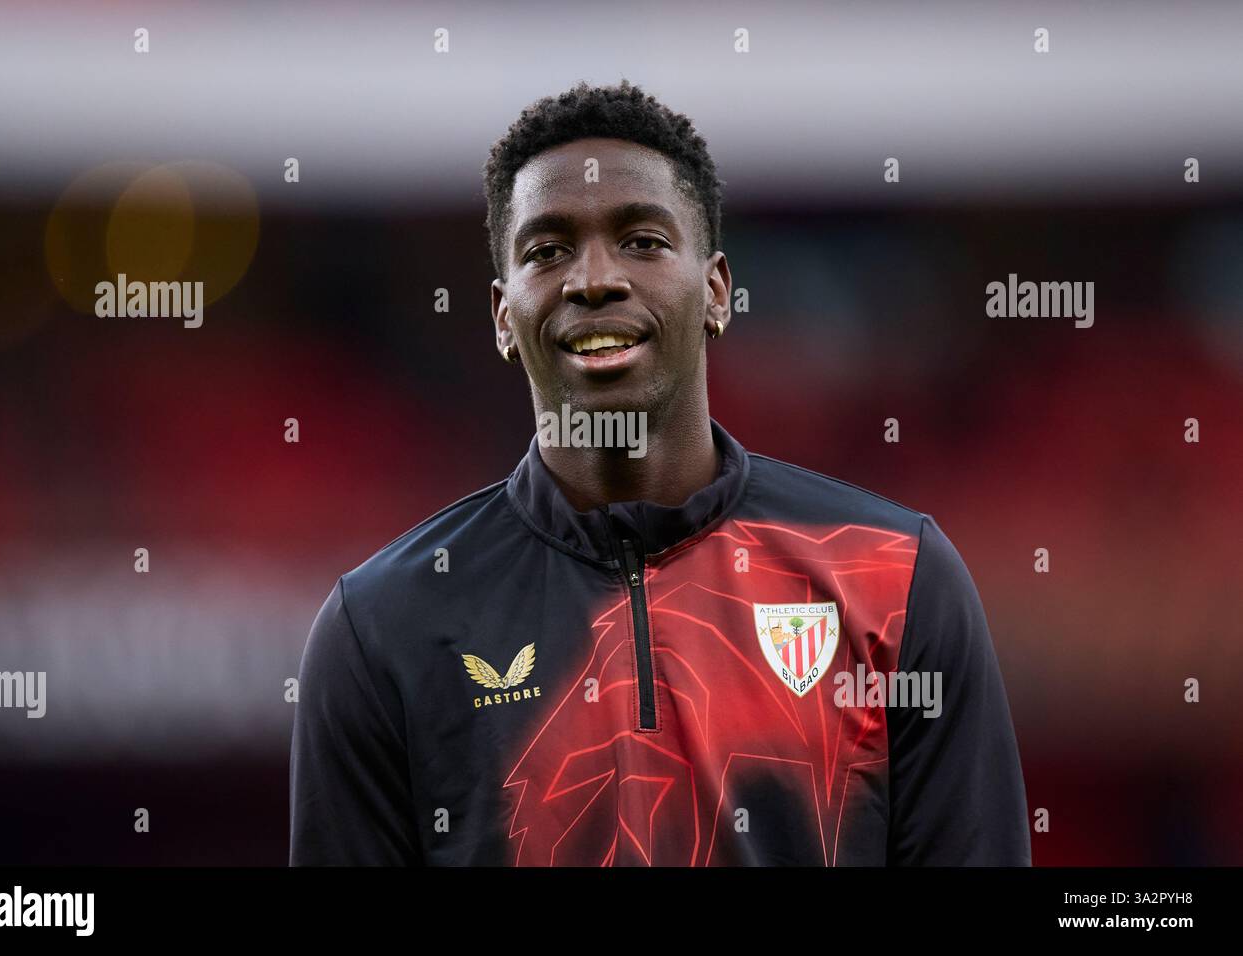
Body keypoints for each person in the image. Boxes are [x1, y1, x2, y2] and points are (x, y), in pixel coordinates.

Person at [289, 79, 1030, 866]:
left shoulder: (896, 576)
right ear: (505, 317)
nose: (594, 279)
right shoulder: (380, 626)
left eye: (642, 241)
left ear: (715, 291)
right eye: (548, 251)